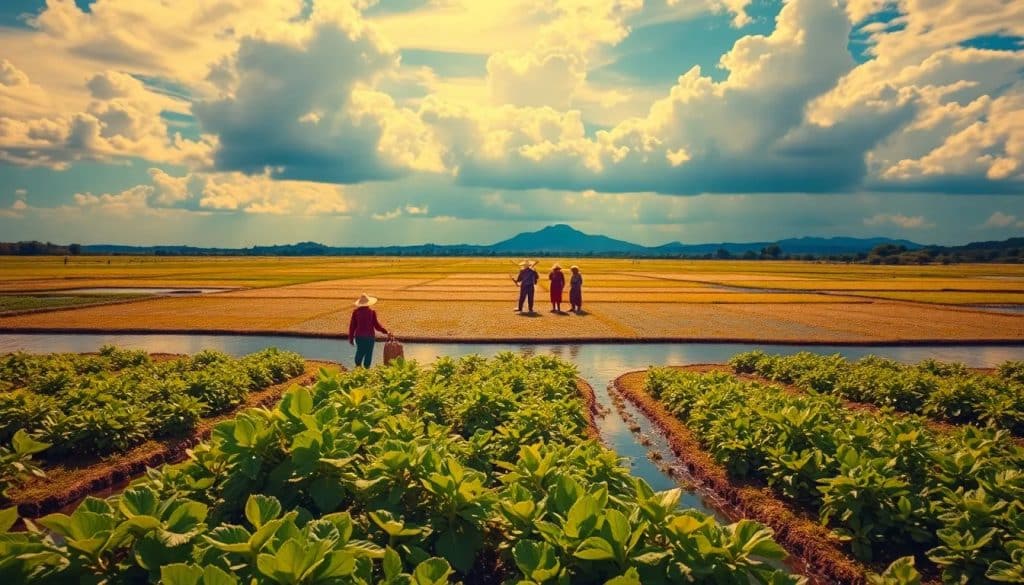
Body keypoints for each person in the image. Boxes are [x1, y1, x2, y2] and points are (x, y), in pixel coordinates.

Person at [348, 293, 390, 368]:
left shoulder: (356, 312)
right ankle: (367, 370)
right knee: (368, 353)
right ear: (368, 303)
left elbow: (352, 327)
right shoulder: (372, 312)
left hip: (359, 337)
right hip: (370, 337)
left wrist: (351, 338)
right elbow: (377, 326)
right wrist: (386, 331)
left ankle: (357, 368)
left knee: (360, 351)